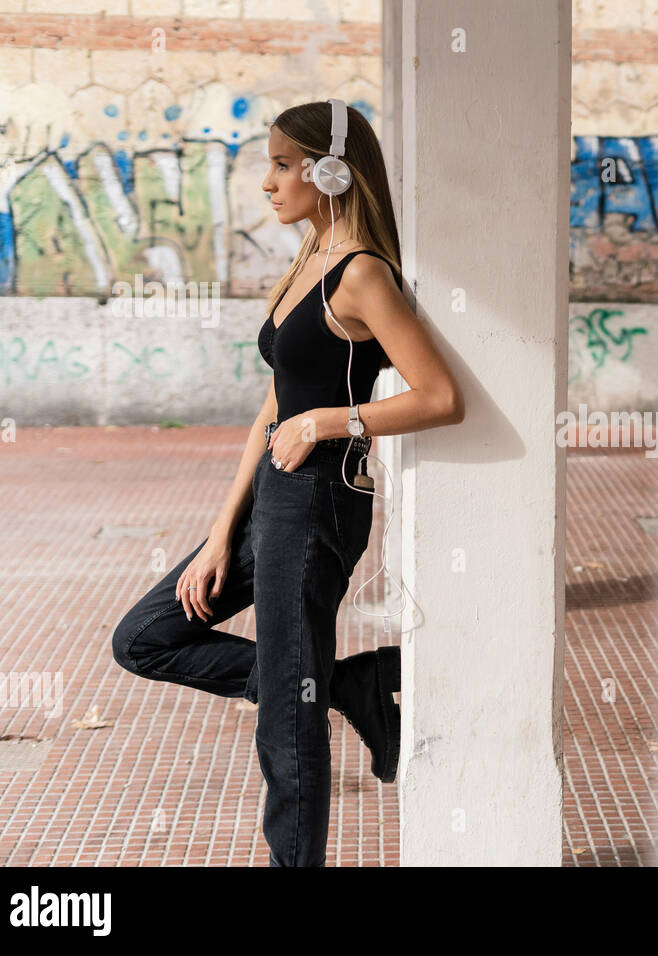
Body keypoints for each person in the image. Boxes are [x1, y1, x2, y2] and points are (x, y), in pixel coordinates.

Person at [111, 99, 464, 867]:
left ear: (331, 169)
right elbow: (268, 412)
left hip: (317, 503)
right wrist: (218, 532)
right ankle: (350, 684)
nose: (267, 183)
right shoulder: (307, 260)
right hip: (270, 500)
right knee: (145, 637)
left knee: (284, 720)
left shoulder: (362, 274)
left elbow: (439, 396)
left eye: (281, 163)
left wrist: (331, 421)